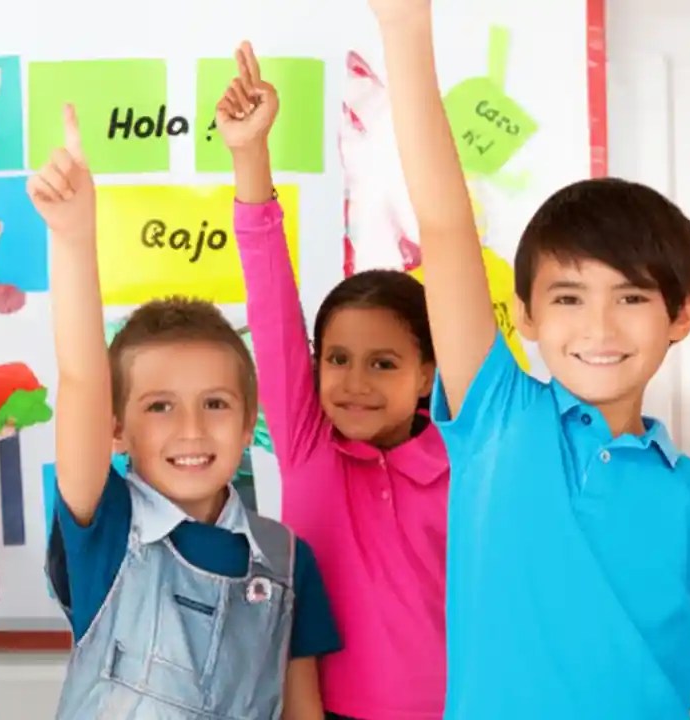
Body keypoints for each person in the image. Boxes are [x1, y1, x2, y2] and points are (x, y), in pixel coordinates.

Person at [372, 0, 690, 716]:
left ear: (681, 313)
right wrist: (405, 29)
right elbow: (443, 223)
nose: (599, 326)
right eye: (568, 299)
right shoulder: (500, 417)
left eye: (630, 297)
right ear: (524, 314)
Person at [33, 104, 340, 719]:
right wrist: (72, 238)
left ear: (249, 414)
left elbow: (301, 706)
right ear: (115, 427)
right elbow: (81, 378)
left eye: (216, 404)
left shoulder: (285, 559)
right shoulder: (108, 528)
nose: (192, 429)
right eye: (160, 406)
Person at [223, 41, 448, 720]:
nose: (353, 381)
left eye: (384, 363)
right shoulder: (309, 445)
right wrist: (249, 154)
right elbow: (269, 298)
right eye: (337, 358)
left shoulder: (464, 459)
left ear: (426, 376)